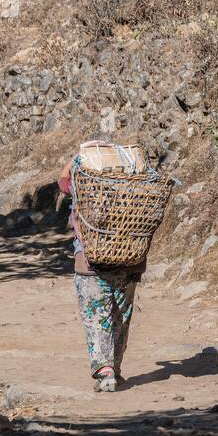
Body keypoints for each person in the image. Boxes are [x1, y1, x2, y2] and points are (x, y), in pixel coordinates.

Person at [59, 153, 145, 392]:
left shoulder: (83, 180)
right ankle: (115, 369)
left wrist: (74, 158)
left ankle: (104, 371)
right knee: (121, 315)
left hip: (90, 262)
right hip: (128, 260)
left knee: (96, 316)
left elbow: (62, 182)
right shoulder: (135, 179)